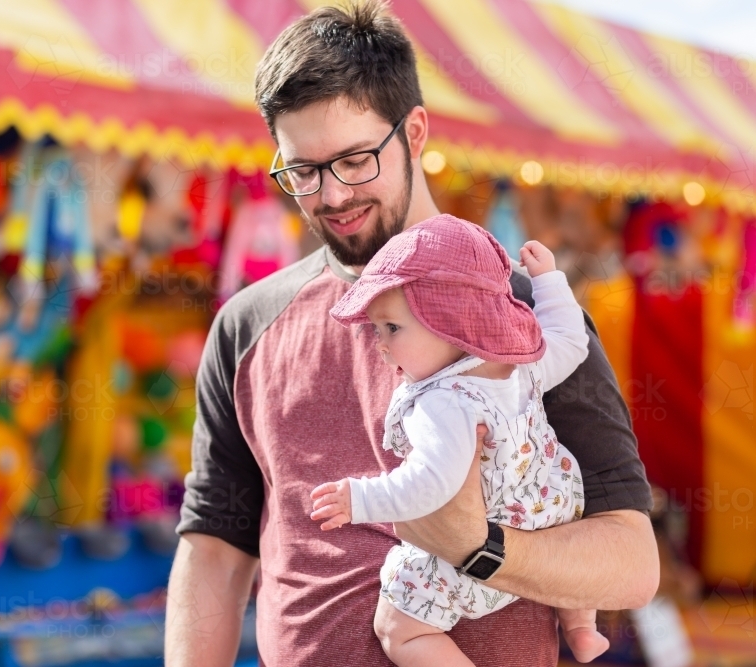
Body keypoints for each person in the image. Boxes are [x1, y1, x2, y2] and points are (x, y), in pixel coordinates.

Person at [165, 3, 658, 666]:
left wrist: (477, 545)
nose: (333, 194)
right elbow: (214, 550)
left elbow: (632, 563)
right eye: (303, 172)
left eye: (355, 159)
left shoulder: (518, 308)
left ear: (415, 131)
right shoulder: (246, 327)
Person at [310, 217, 607, 666]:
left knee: (398, 629)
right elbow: (570, 339)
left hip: (479, 547)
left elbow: (431, 483)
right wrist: (548, 282)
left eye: (392, 328)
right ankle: (582, 627)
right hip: (552, 507)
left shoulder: (444, 402)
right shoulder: (520, 368)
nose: (380, 345)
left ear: (449, 322)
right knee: (569, 552)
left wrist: (360, 499)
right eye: (376, 330)